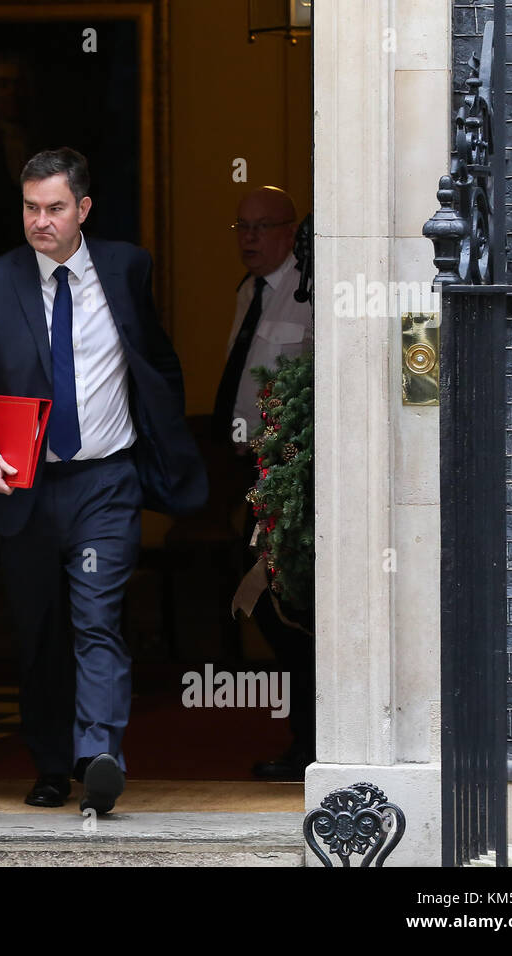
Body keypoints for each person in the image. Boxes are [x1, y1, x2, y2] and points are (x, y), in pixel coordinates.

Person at [0, 147, 207, 813]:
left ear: (83, 209)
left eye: (55, 208)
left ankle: (101, 753)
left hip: (106, 483)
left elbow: (155, 360)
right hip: (24, 488)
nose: (40, 220)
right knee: (40, 635)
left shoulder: (125, 267)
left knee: (97, 619)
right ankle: (53, 766)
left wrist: (157, 436)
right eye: (30, 207)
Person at [212, 185, 315, 780]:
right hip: (243, 466)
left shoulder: (307, 292)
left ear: (290, 231)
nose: (249, 238)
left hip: (287, 469)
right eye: (241, 227)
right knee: (266, 602)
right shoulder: (248, 292)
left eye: (262, 227)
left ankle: (312, 744)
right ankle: (305, 740)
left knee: (285, 606)